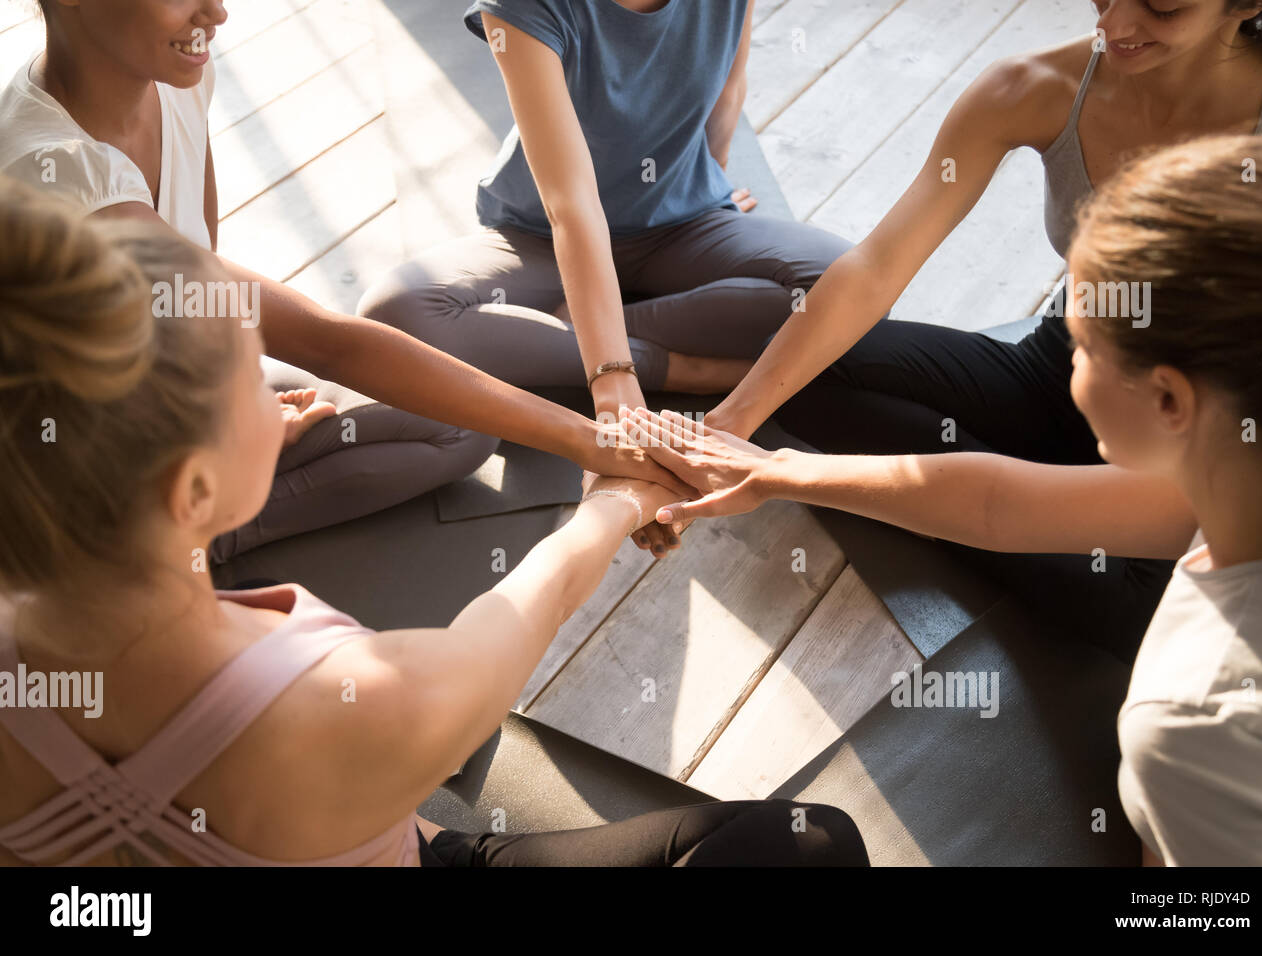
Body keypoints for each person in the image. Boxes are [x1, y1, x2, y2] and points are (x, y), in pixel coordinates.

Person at [0, 179, 867, 867]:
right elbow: (539, 595)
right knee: (810, 842)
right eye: (250, 387)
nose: (279, 402)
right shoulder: (367, 707)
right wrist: (621, 497)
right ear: (192, 492)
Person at [631, 133, 1262, 866]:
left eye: (1079, 347)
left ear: (1169, 397)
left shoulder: (1197, 718)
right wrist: (778, 472)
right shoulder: (1251, 484)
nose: (1065, 359)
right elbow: (997, 506)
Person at [698, 0, 1262, 659]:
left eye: (1161, 7)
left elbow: (995, 507)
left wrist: (787, 475)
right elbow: (875, 266)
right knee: (805, 377)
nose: (1116, 25)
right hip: (1078, 361)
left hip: (1202, 429)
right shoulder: (1032, 87)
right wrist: (734, 419)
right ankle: (1038, 490)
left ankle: (1036, 496)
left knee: (1124, 610)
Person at [0, 0, 690, 565]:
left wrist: (234, 411)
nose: (217, 13)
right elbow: (328, 343)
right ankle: (145, 548)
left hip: (161, 397)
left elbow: (200, 289)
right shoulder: (54, 175)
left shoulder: (178, 74)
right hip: (69, 463)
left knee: (461, 431)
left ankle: (207, 536)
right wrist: (588, 439)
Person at [357, 0, 855, 559]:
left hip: (682, 225)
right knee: (395, 313)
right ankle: (685, 368)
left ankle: (565, 326)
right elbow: (571, 204)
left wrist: (707, 184)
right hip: (542, 234)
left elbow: (727, 93)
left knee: (845, 285)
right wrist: (614, 382)